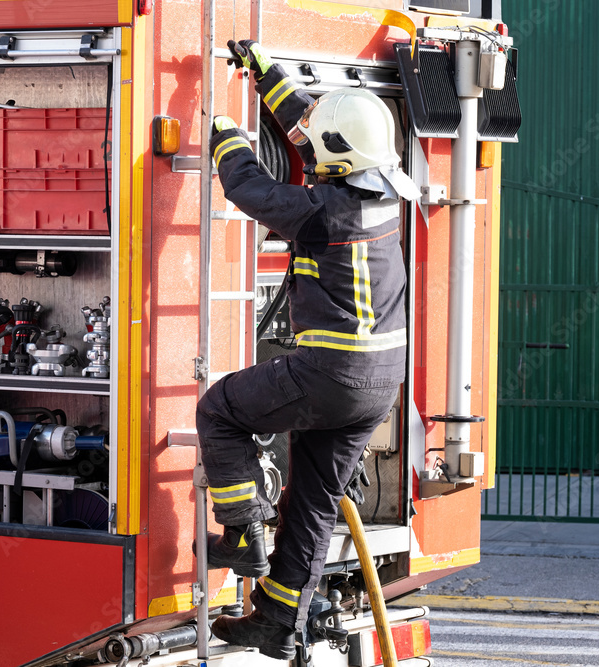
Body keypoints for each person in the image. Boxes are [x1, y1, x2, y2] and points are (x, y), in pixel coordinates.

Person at [196, 39, 421, 660]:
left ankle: (241, 535)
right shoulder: (381, 197)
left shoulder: (324, 212)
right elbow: (313, 133)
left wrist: (225, 134)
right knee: (315, 504)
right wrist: (267, 74)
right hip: (379, 386)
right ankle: (277, 622)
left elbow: (249, 189)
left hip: (332, 373)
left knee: (220, 411)